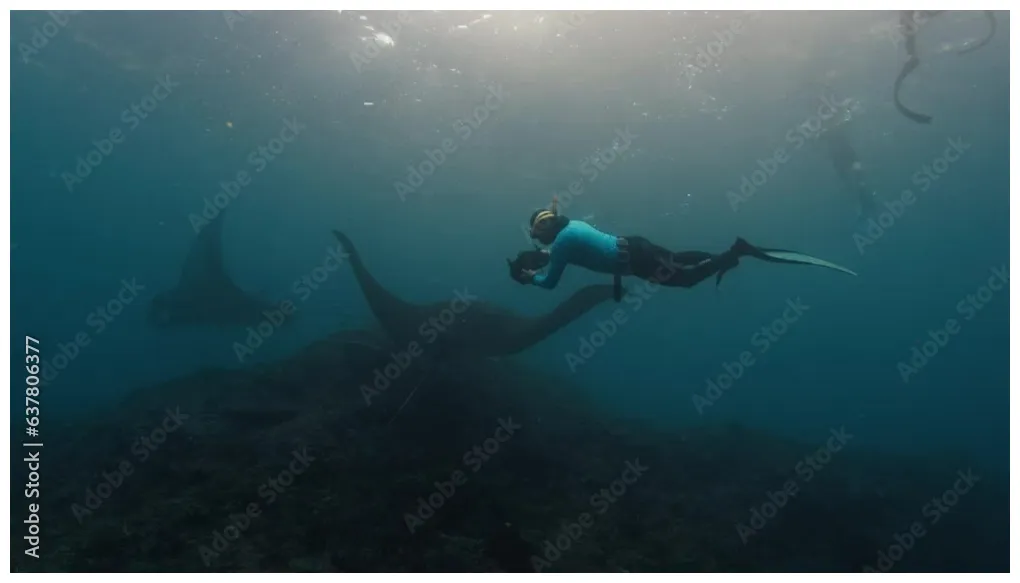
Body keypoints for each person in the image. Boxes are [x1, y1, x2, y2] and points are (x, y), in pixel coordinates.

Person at [510, 201, 856, 299]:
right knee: (677, 259)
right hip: (636, 245)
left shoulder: (563, 244)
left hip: (638, 261)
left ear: (546, 228)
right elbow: (596, 252)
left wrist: (531, 279)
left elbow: (551, 282)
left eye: (538, 230)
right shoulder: (574, 227)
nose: (538, 237)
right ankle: (727, 253)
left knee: (685, 281)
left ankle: (737, 252)